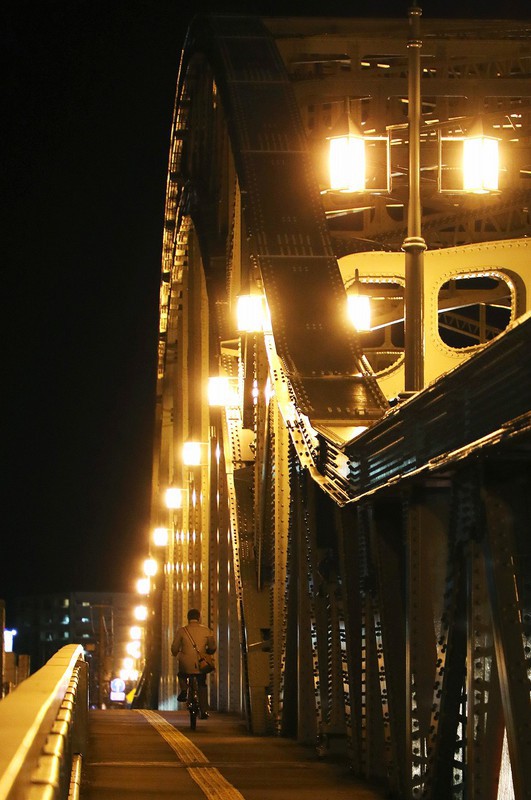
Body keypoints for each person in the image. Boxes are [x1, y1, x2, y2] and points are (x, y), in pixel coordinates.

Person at [171, 608, 216, 719]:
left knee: (181, 674)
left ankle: (184, 690)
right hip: (201, 664)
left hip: (185, 664)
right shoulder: (206, 630)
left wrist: (176, 653)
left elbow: (174, 648)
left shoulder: (182, 631)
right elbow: (212, 647)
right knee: (202, 683)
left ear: (188, 618)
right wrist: (208, 652)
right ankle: (204, 710)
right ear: (199, 618)